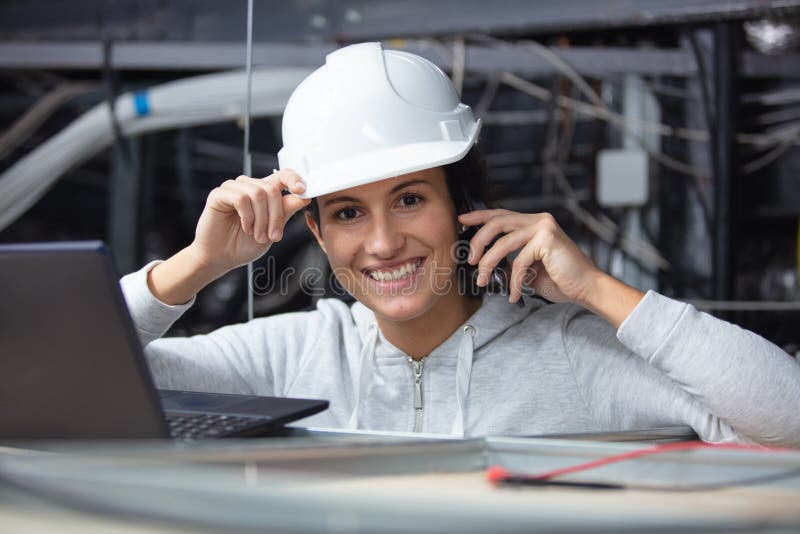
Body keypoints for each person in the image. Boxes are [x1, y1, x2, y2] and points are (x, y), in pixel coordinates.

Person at [120, 42, 800, 445]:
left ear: (463, 208)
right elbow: (49, 385)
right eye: (351, 212)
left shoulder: (569, 352)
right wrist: (197, 265)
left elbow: (788, 419)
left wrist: (596, 290)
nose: (383, 242)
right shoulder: (292, 355)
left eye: (411, 199)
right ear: (319, 234)